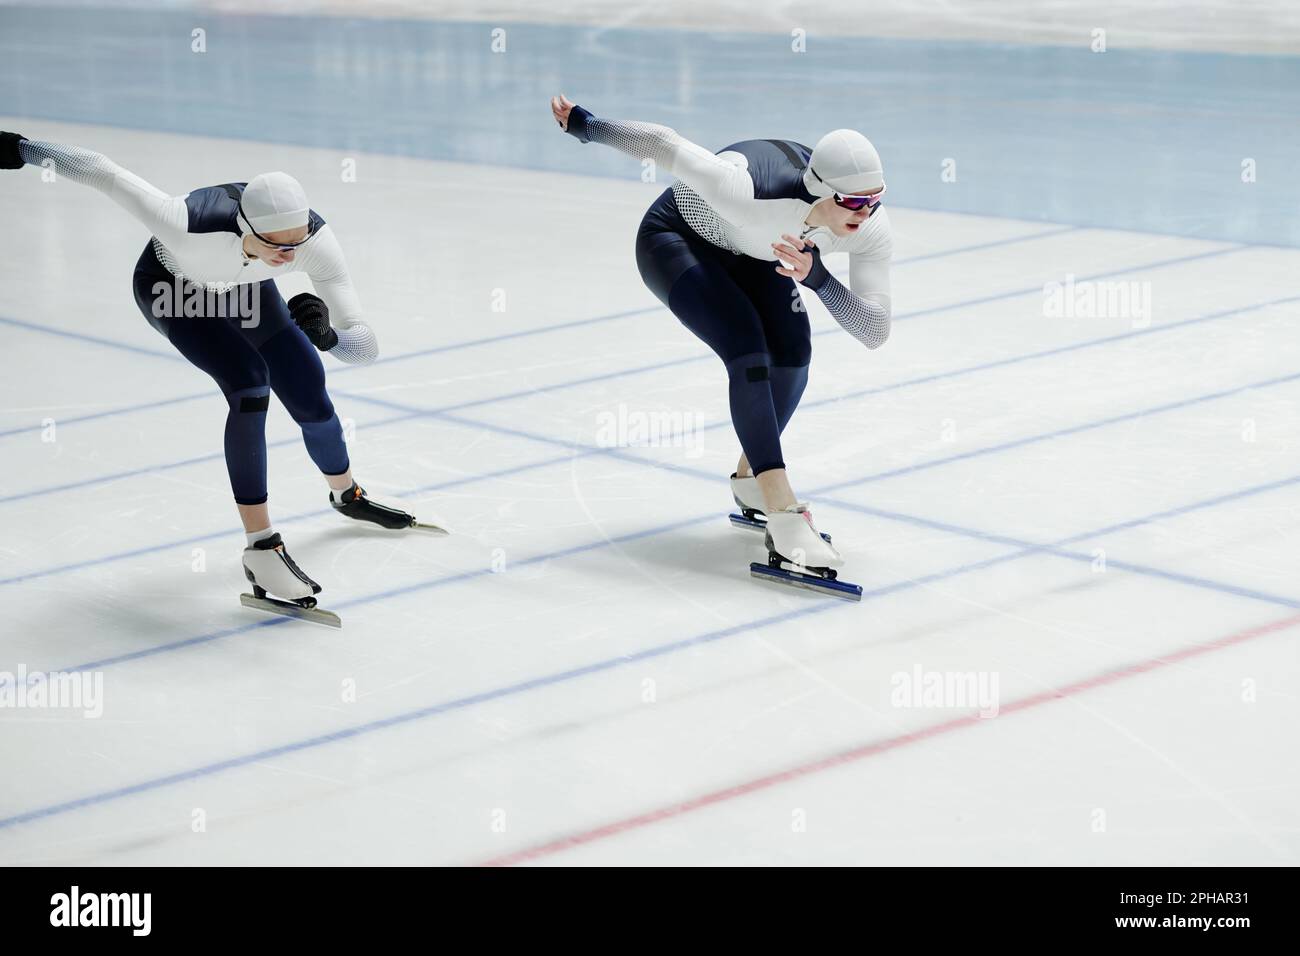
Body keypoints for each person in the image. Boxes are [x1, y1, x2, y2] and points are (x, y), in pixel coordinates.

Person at [1, 130, 432, 616]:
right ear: (245, 226)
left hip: (246, 288)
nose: (289, 258)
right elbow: (102, 171)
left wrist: (329, 338)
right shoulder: (186, 223)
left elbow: (367, 349)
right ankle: (262, 546)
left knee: (308, 385)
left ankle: (347, 494)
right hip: (174, 290)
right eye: (277, 247)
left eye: (296, 246)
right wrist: (18, 148)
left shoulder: (314, 242)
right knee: (250, 385)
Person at [549, 96, 891, 594]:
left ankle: (752, 478)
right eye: (855, 203)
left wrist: (821, 280)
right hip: (678, 238)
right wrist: (586, 125)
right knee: (748, 352)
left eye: (876, 199)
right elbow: (663, 144)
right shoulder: (746, 190)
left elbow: (875, 331)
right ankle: (782, 509)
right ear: (822, 190)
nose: (866, 213)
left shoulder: (870, 227)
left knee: (794, 354)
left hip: (758, 249)